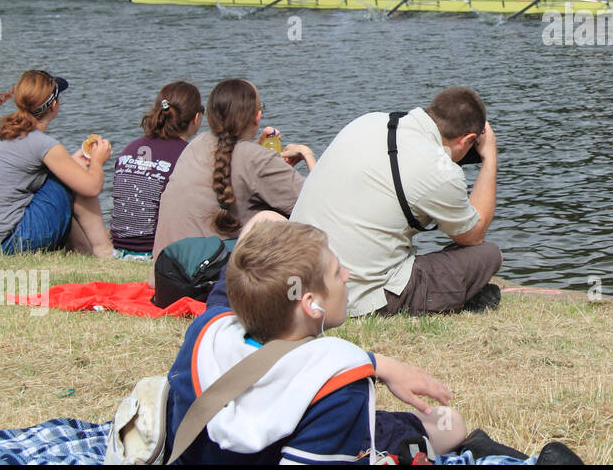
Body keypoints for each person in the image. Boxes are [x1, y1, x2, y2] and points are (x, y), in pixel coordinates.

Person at [165, 218, 469, 463]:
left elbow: (261, 222)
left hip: (201, 451)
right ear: (311, 305)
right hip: (309, 437)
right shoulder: (341, 391)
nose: (347, 276)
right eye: (337, 273)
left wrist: (378, 364)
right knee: (448, 423)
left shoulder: (207, 329)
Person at [289, 87, 501, 318]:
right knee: (487, 255)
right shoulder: (440, 170)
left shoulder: (367, 122)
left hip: (300, 282)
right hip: (354, 298)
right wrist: (489, 157)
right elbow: (473, 235)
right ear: (469, 139)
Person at [152, 79, 315, 285]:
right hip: (205, 281)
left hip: (166, 277)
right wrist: (307, 154)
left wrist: (258, 150)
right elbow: (318, 204)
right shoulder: (256, 159)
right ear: (257, 117)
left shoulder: (197, 144)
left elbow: (231, 165)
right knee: (274, 217)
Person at [0, 70, 114, 258]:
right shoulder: (42, 144)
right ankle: (104, 250)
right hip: (6, 243)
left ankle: (83, 250)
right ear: (54, 106)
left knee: (70, 176)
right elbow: (92, 187)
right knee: (77, 179)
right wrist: (97, 161)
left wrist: (72, 163)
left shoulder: (3, 132)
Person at [109, 82, 204, 257]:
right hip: (155, 252)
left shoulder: (130, 148)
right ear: (196, 118)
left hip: (117, 248)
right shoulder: (188, 154)